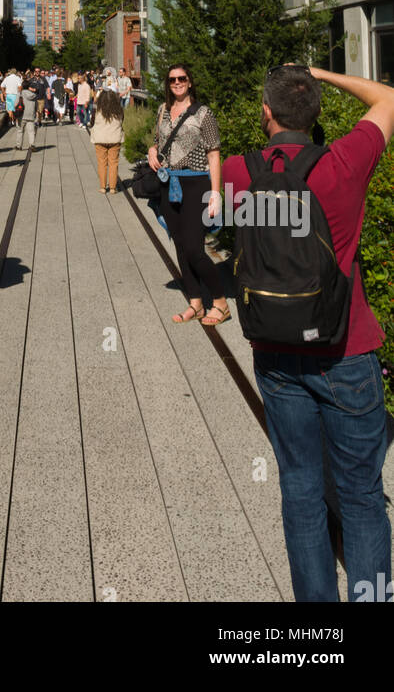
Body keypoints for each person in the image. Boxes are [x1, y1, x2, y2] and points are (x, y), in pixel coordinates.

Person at [222, 63, 394, 604]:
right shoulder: (343, 162)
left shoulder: (236, 173)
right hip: (347, 350)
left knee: (300, 491)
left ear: (266, 113)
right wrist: (320, 72)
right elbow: (388, 97)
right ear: (317, 116)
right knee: (363, 497)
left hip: (275, 354)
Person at [147, 64, 227, 327]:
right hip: (168, 184)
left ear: (190, 82)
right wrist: (151, 150)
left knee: (194, 247)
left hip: (196, 185)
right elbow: (159, 142)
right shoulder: (162, 111)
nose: (177, 83)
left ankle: (220, 302)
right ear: (168, 83)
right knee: (180, 245)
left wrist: (216, 193)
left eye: (182, 78)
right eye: (172, 79)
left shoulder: (203, 114)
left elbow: (214, 154)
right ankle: (195, 302)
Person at [90, 88, 125, 192]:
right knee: (113, 163)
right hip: (115, 139)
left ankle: (102, 187)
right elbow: (122, 121)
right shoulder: (119, 110)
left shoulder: (97, 110)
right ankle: (113, 188)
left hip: (100, 139)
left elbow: (92, 122)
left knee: (102, 163)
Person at [15, 78, 38, 153]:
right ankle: (32, 145)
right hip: (30, 115)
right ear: (29, 86)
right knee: (31, 131)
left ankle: (19, 146)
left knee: (20, 130)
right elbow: (36, 105)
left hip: (21, 115)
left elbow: (16, 104)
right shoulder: (33, 95)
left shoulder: (20, 93)